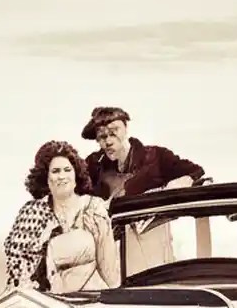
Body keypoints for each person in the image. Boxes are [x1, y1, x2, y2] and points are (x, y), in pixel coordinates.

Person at [80, 106, 207, 275]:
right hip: (110, 252)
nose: (108, 141)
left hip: (152, 247)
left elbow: (195, 172)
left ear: (126, 128)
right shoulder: (94, 165)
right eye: (102, 136)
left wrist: (168, 191)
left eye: (113, 132)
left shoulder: (155, 157)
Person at [3, 140, 120, 293]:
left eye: (67, 170)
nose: (62, 176)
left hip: (90, 299)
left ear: (76, 174)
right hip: (44, 299)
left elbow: (110, 273)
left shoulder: (93, 207)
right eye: (56, 171)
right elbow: (18, 269)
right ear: (46, 177)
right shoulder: (31, 212)